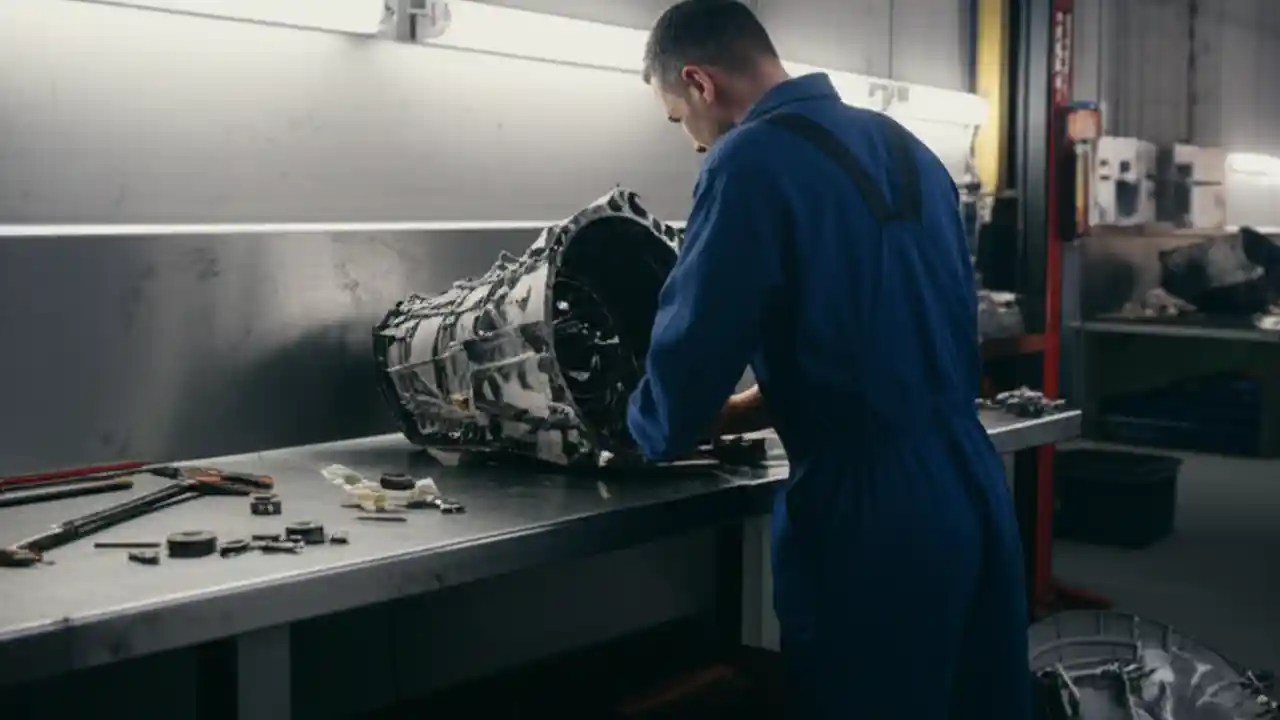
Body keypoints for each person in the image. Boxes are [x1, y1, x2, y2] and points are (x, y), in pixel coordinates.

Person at [624, 2, 1032, 718]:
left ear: (700, 83)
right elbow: (880, 342)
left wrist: (643, 425)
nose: (691, 141)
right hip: (971, 488)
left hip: (869, 519)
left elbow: (689, 367)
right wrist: (744, 411)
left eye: (678, 118)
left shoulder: (747, 162)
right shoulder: (908, 149)